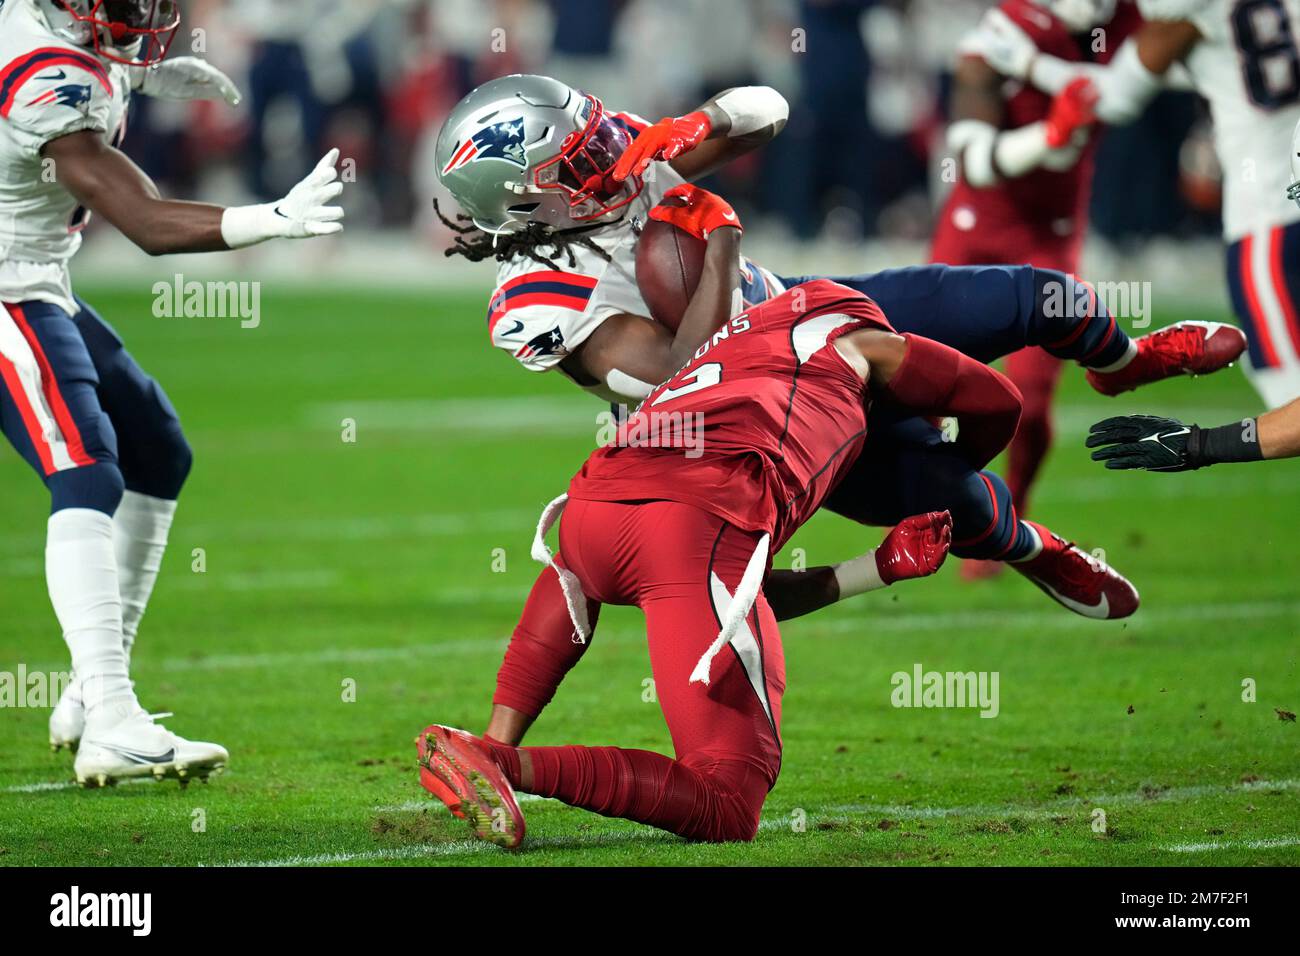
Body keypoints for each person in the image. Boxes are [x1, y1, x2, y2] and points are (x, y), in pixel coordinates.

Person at [417, 276, 1023, 847]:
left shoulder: (729, 354)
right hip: (689, 530)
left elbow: (736, 596)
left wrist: (877, 567)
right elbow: (1000, 401)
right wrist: (953, 472)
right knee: (728, 800)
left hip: (589, 512)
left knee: (573, 574)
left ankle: (489, 743)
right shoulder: (863, 341)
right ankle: (504, 763)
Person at [0, 0, 345, 786]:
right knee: (86, 471)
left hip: (36, 280)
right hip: (8, 287)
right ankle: (112, 714)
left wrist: (137, 70)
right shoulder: (48, 80)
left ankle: (94, 692)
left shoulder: (42, 28)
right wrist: (273, 219)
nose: (145, 11)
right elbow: (148, 222)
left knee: (156, 447)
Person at [972, 0, 1300, 410]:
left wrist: (1028, 63)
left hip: (1271, 219)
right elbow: (1217, 64)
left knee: (1291, 400)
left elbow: (1113, 96)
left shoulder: (1186, 11)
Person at [934, 0, 1146, 577]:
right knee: (921, 396)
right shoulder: (999, 35)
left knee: (1026, 401)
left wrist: (1037, 69)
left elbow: (1131, 85)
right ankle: (920, 516)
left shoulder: (1125, 25)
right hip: (973, 236)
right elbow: (972, 160)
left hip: (1049, 241)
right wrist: (1048, 133)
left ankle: (1007, 522)